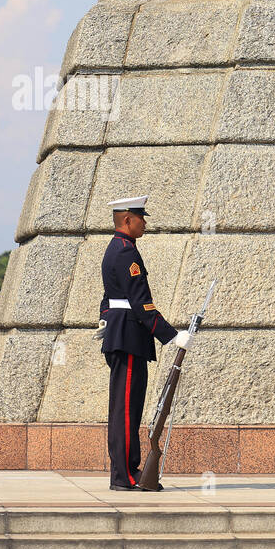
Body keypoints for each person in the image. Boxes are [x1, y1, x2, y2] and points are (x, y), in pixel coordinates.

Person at [98, 196, 190, 492]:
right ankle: (124, 476)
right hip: (128, 338)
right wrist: (171, 335)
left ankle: (128, 471)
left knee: (128, 409)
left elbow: (109, 299)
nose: (145, 223)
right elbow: (141, 304)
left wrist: (106, 323)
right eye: (141, 218)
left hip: (124, 335)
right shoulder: (126, 253)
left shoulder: (120, 249)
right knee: (125, 411)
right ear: (127, 219)